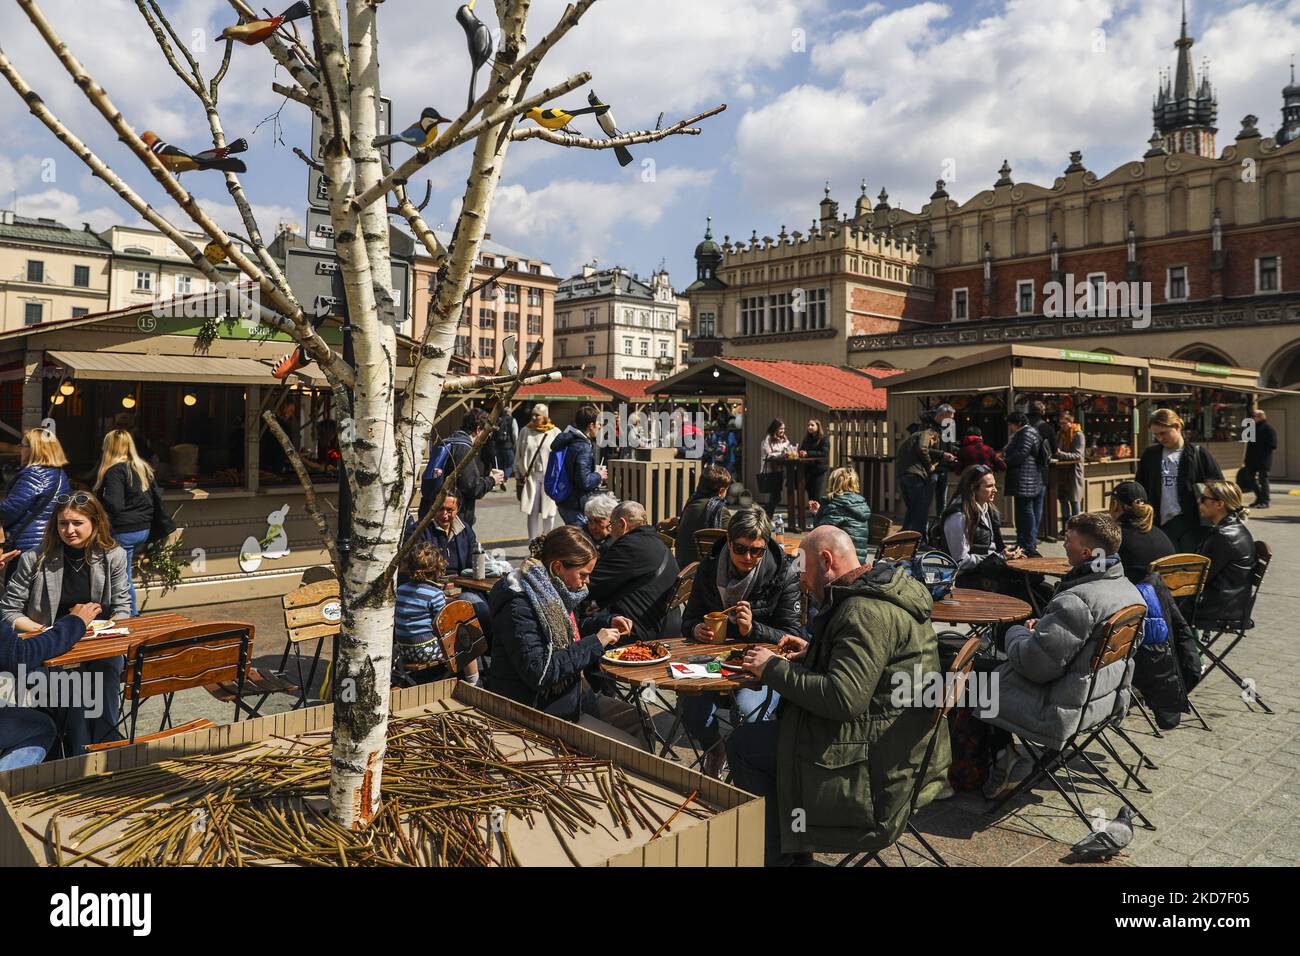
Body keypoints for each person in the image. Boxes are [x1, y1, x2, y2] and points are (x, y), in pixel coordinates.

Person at [726, 525, 950, 866]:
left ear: (826, 560)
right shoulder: (877, 591)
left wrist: (772, 668)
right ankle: (790, 848)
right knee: (764, 735)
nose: (800, 580)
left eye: (802, 568)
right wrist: (816, 652)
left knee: (743, 746)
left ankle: (780, 858)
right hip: (896, 743)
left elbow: (843, 699)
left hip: (875, 768)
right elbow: (871, 671)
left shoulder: (863, 612)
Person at [978, 512, 1144, 799]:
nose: (1063, 545)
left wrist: (1015, 632)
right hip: (1100, 699)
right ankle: (1007, 755)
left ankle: (1001, 756)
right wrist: (1042, 629)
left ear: (1087, 552)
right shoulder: (1129, 591)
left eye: (1068, 540)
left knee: (970, 678)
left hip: (1057, 707)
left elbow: (1035, 667)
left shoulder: (1077, 601)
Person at [0, 492, 131, 755]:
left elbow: (123, 608)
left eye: (77, 523)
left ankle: (105, 742)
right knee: (73, 686)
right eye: (62, 523)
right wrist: (45, 632)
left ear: (95, 523)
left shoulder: (113, 556)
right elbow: (9, 611)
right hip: (48, 647)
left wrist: (108, 629)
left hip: (96, 643)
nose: (69, 530)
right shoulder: (35, 558)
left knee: (105, 671)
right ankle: (80, 752)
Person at [680, 507, 802, 776]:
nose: (748, 557)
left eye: (756, 550)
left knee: (750, 714)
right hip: (713, 663)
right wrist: (697, 628)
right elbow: (687, 620)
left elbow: (793, 635)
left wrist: (752, 629)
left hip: (759, 666)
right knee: (691, 711)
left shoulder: (783, 572)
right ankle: (716, 748)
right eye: (741, 548)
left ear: (765, 546)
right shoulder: (709, 567)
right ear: (728, 540)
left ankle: (746, 773)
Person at [485, 526, 632, 723]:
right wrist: (595, 642)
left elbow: (567, 631)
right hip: (535, 711)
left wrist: (604, 623)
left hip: (565, 696)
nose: (587, 582)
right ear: (557, 567)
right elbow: (540, 673)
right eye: (583, 574)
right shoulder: (519, 605)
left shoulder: (548, 592)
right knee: (630, 739)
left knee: (637, 720)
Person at [1, 585, 100, 771]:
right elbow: (19, 656)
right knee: (42, 727)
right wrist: (75, 623)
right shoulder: (33, 560)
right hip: (56, 638)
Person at [587, 501, 679, 644]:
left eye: (612, 525)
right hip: (669, 626)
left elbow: (591, 583)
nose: (611, 531)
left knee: (586, 629)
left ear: (622, 524)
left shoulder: (628, 546)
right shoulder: (657, 541)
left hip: (641, 632)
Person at [394, 542, 482, 687]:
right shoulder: (435, 594)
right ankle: (474, 682)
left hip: (405, 648)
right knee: (467, 637)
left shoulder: (401, 590)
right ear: (437, 570)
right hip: (425, 649)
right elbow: (445, 626)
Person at [1135, 407, 1223, 552]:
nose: (1160, 438)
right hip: (1157, 524)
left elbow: (1220, 487)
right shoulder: (1150, 455)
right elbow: (1140, 486)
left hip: (1191, 524)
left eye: (1163, 433)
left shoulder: (1198, 454)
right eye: (1156, 435)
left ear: (1177, 426)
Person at [93, 429, 159, 615]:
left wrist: (98, 510)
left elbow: (114, 504)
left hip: (124, 529)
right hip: (142, 528)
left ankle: (131, 613)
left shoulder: (115, 471)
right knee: (124, 571)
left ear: (109, 447)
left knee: (123, 576)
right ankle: (126, 611)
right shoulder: (141, 467)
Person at [938, 465, 1025, 592]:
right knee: (1023, 587)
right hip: (969, 577)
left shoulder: (987, 509)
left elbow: (995, 547)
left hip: (990, 569)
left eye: (994, 485)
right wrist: (998, 558)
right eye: (989, 486)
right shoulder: (959, 516)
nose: (995, 490)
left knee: (1035, 578)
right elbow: (960, 561)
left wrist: (1008, 553)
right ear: (973, 488)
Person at [419, 409, 504, 529]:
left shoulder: (448, 441)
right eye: (487, 434)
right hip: (452, 519)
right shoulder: (463, 449)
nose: (486, 439)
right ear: (479, 429)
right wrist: (492, 480)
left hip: (436, 512)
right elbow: (472, 487)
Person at [0, 427, 71, 559]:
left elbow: (8, 510)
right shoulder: (59, 473)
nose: (20, 449)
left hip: (29, 546)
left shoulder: (36, 474)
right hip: (48, 540)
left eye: (23, 445)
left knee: (18, 579)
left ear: (35, 449)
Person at [1194, 480, 1256, 626]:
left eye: (1203, 499)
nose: (1199, 502)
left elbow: (1200, 576)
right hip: (1228, 604)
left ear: (1219, 504)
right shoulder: (1230, 529)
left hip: (1218, 608)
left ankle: (1185, 648)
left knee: (1162, 606)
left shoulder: (1224, 536)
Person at [1104, 481, 1175, 586]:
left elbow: (1097, 572)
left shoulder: (1114, 537)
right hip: (1166, 599)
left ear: (1115, 505)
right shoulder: (1162, 535)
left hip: (1132, 598)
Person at [550, 404, 607, 526]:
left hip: (564, 499)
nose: (600, 427)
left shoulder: (568, 439)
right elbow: (584, 481)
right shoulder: (583, 447)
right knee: (581, 541)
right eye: (598, 424)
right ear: (591, 426)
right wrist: (599, 475)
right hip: (576, 503)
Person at [807, 466, 873, 563]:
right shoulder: (859, 503)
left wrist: (819, 513)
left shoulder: (836, 505)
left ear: (833, 483)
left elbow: (820, 533)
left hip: (844, 563)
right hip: (858, 560)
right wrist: (820, 511)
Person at [514, 403, 560, 540]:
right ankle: (532, 544)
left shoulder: (555, 432)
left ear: (545, 416)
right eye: (532, 414)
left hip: (549, 477)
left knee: (549, 512)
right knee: (532, 511)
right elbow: (518, 454)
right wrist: (517, 473)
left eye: (537, 415)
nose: (534, 417)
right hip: (530, 477)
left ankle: (547, 541)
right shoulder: (525, 431)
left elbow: (561, 456)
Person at [1003, 411, 1045, 556]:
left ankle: (1027, 543)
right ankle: (1024, 542)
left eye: (1010, 424)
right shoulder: (1029, 432)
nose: (1010, 427)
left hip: (1026, 479)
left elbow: (1021, 454)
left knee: (1025, 512)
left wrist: (1003, 462)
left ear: (1018, 423)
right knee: (1025, 512)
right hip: (1029, 478)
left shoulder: (1026, 433)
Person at [673, 464, 732, 568]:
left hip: (682, 566)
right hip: (703, 569)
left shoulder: (691, 503)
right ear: (721, 491)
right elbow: (735, 538)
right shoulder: (720, 511)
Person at [894, 410, 943, 533]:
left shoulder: (911, 439)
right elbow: (923, 449)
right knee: (921, 510)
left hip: (903, 476)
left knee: (912, 508)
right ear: (934, 437)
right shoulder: (927, 434)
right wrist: (929, 466)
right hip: (914, 477)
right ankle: (920, 539)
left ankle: (905, 534)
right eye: (935, 443)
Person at [1027, 400, 1057, 539]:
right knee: (1037, 506)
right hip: (1042, 470)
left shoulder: (1025, 427)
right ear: (1043, 412)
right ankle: (1034, 535)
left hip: (1025, 471)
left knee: (1026, 507)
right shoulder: (1048, 428)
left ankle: (1025, 536)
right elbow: (1054, 450)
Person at [1054, 411, 1085, 535]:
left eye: (1064, 423)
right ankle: (1065, 529)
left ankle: (1077, 530)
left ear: (1070, 422)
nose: (1062, 426)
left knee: (1074, 500)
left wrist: (1060, 454)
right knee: (1063, 499)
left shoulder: (1078, 434)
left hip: (1073, 472)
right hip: (1062, 472)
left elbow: (1078, 455)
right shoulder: (1061, 434)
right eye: (1060, 423)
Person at [758, 419, 794, 518]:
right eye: (781, 428)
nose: (783, 431)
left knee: (776, 496)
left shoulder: (784, 439)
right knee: (776, 496)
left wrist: (787, 451)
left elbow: (788, 449)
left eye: (784, 428)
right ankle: (765, 514)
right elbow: (769, 454)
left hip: (780, 471)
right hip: (771, 471)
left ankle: (766, 514)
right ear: (775, 428)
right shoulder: (768, 439)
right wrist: (781, 454)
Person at [1242, 409, 1277, 509]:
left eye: (1254, 416)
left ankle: (1265, 501)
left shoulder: (1268, 429)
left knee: (1263, 480)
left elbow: (1273, 445)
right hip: (1251, 460)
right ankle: (1259, 498)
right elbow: (1249, 445)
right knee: (1251, 480)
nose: (1253, 418)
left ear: (1261, 416)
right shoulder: (1253, 428)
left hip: (1263, 459)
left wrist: (1261, 450)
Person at [931, 404, 959, 515]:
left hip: (944, 468)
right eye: (950, 417)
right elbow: (924, 449)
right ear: (942, 415)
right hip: (932, 467)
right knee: (927, 498)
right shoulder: (929, 427)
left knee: (942, 499)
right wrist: (943, 454)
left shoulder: (947, 427)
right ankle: (923, 527)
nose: (952, 420)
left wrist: (959, 451)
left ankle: (940, 523)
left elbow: (949, 445)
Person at [797, 419, 830, 504]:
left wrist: (808, 453)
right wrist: (801, 452)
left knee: (816, 495)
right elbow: (802, 449)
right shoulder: (806, 439)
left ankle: (818, 514)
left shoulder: (824, 439)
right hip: (808, 470)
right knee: (810, 494)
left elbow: (824, 453)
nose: (809, 427)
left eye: (812, 425)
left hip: (819, 470)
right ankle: (813, 513)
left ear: (818, 427)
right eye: (808, 425)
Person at [484, 405, 518, 482]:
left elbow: (492, 433)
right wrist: (515, 445)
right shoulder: (513, 420)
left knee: (500, 465)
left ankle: (499, 479)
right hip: (508, 446)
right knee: (510, 464)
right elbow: (515, 434)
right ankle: (504, 478)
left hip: (498, 446)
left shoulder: (499, 420)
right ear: (509, 412)